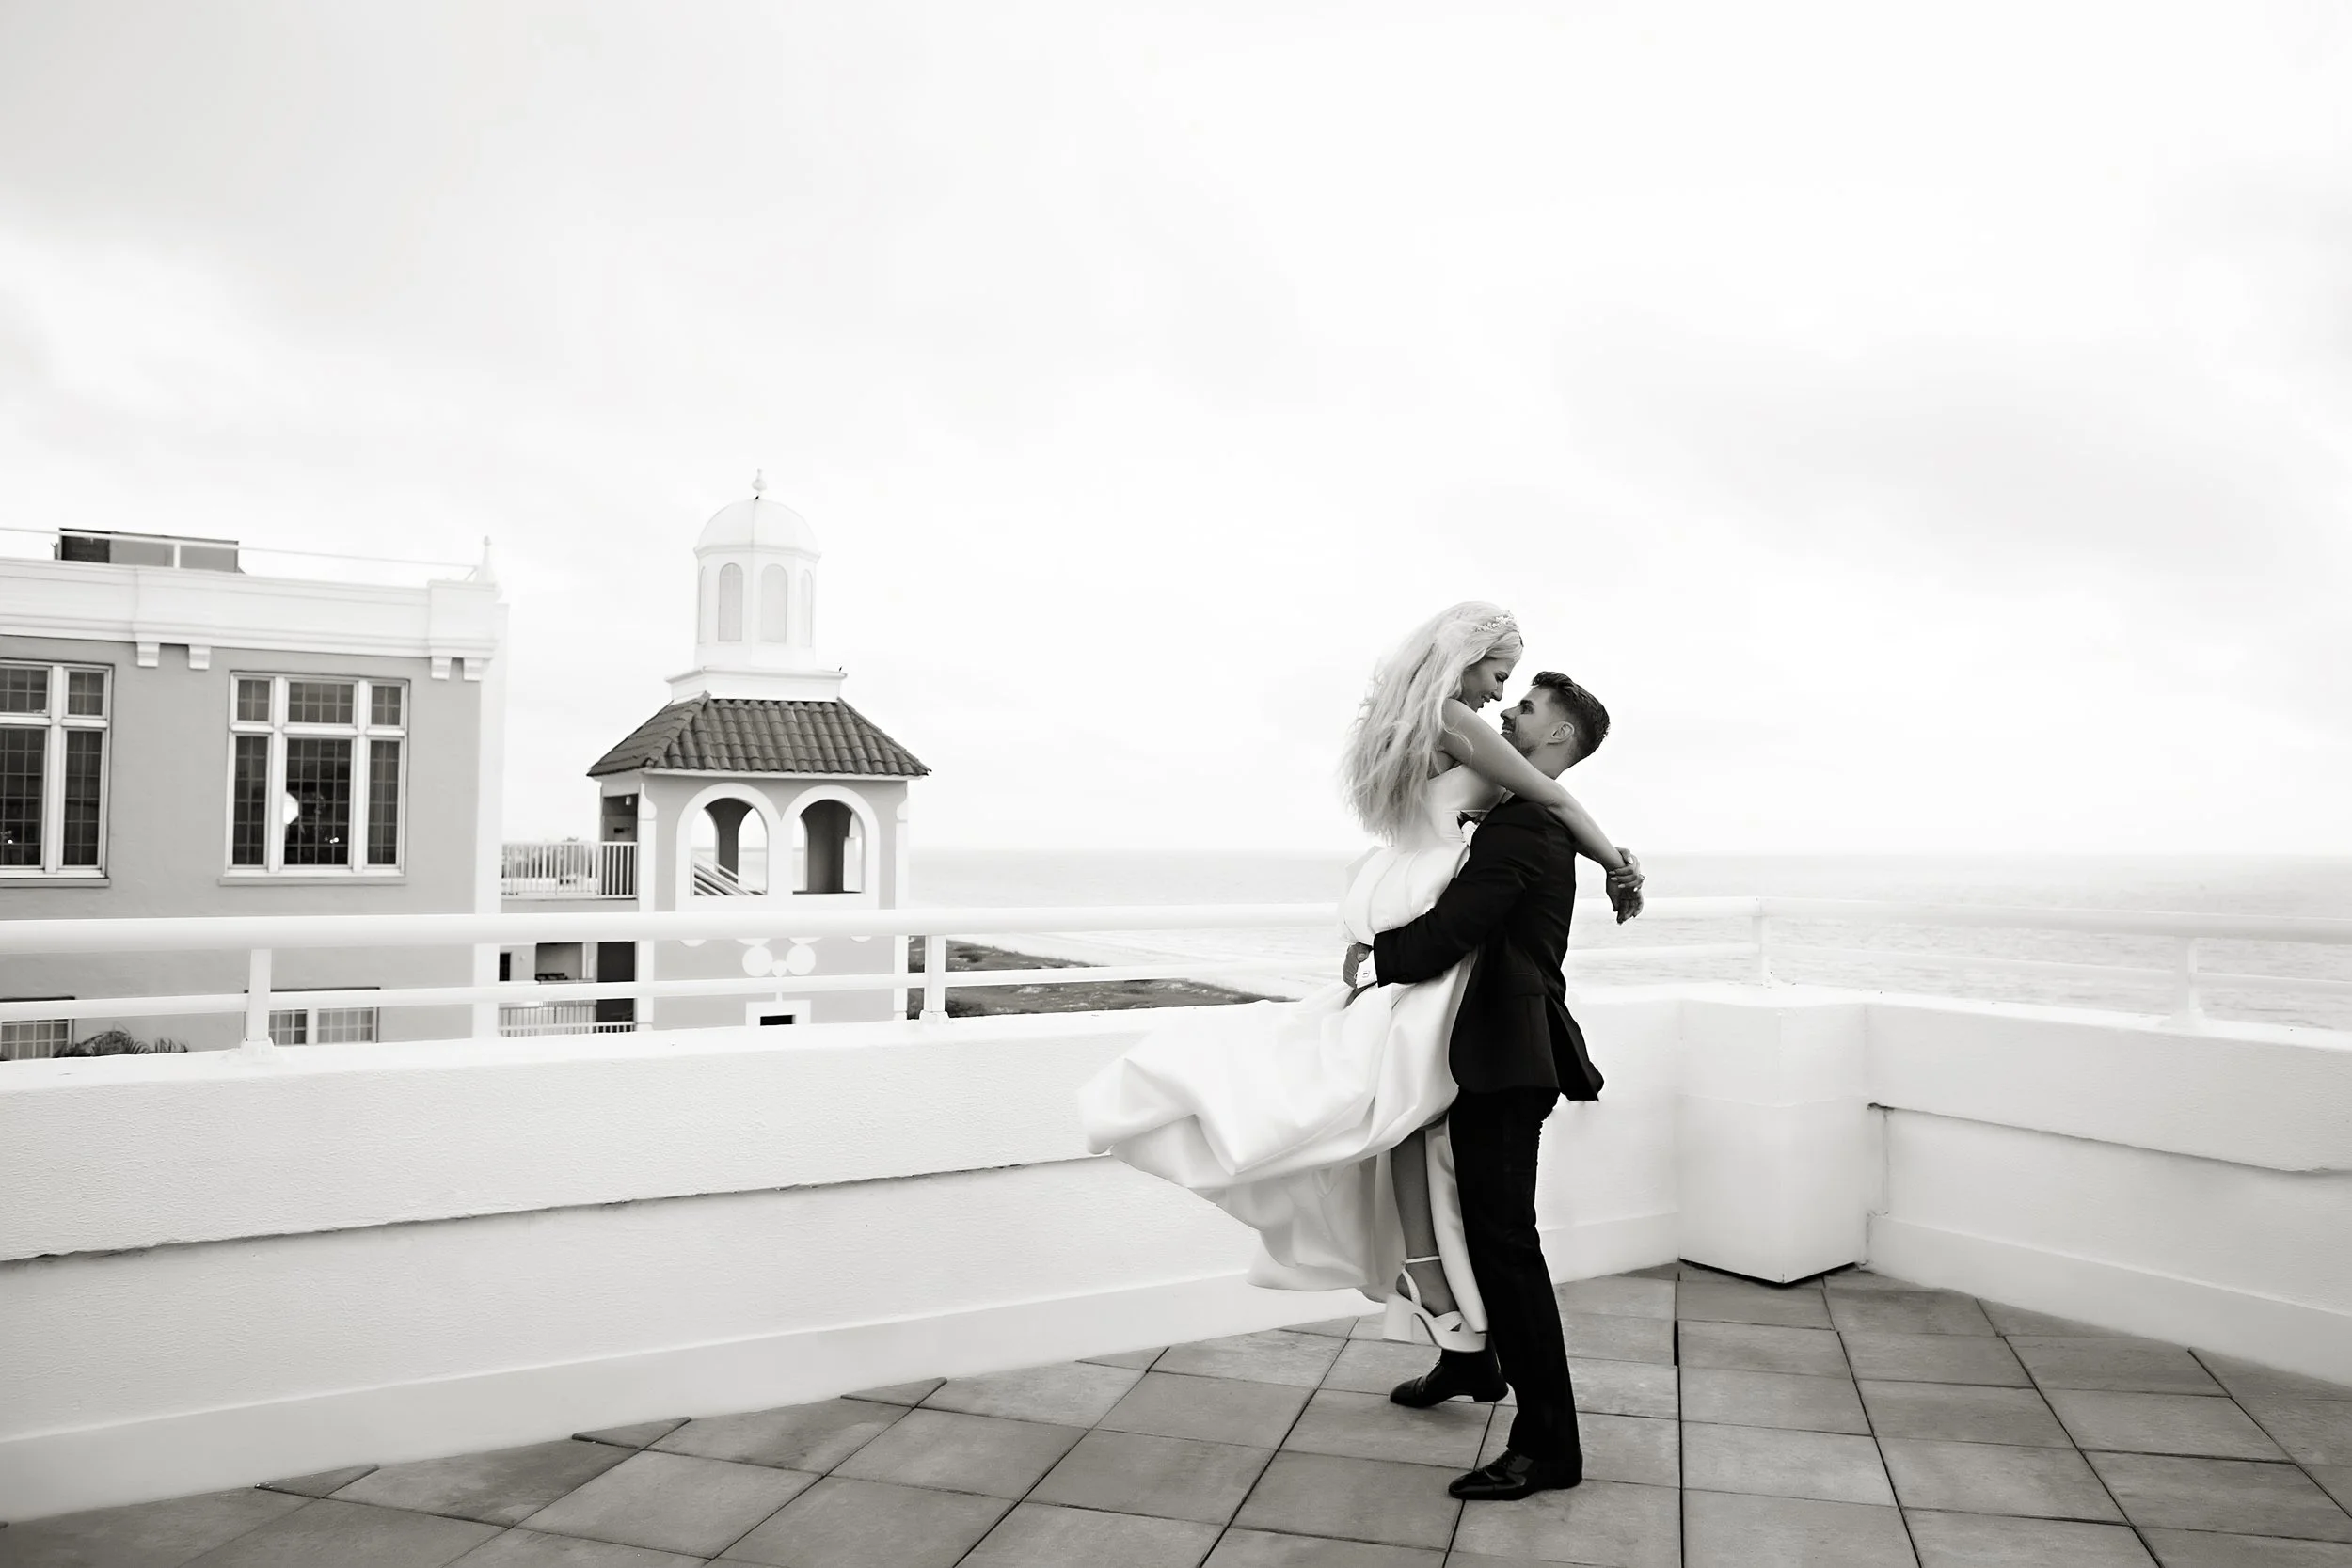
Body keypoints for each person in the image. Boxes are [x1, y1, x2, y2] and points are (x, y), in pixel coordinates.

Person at [1076, 603, 1640, 1365]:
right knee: (1396, 1119)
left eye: (1518, 692)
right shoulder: (1455, 724)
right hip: (1424, 929)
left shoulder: (1432, 726)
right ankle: (1437, 1301)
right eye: (1501, 676)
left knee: (1401, 1125)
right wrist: (1617, 862)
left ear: (1560, 731)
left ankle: (1441, 1310)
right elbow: (1552, 802)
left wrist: (1611, 860)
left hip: (1420, 921)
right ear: (1465, 657)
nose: (1503, 700)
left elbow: (1544, 807)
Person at [1347, 668, 1614, 1501]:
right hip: (1478, 1053)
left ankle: (1549, 1445)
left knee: (1507, 1248)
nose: (1508, 709)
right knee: (1462, 1223)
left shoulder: (1527, 827)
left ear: (1560, 737)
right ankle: (1470, 1361)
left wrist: (1370, 961)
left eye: (1527, 707)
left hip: (1506, 1060)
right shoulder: (1513, 815)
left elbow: (1451, 931)